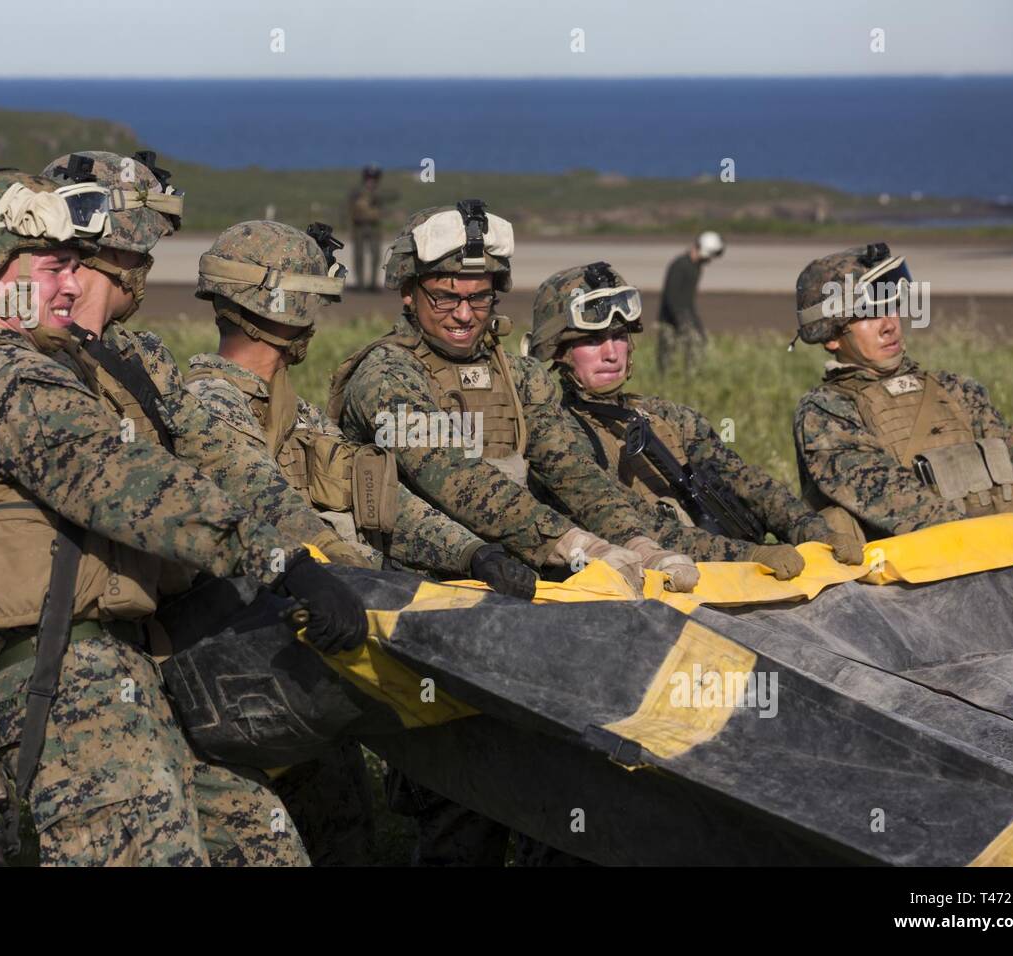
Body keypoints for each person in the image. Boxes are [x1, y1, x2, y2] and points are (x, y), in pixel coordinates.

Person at [0, 168, 368, 866]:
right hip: (71, 696)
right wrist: (288, 563)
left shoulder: (45, 370)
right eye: (54, 266)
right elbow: (140, 489)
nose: (69, 284)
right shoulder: (5, 383)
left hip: (131, 672)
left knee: (260, 846)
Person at [327, 200, 699, 866]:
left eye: (480, 296)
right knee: (458, 818)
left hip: (522, 618)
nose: (465, 314)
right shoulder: (382, 378)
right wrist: (571, 546)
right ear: (408, 294)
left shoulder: (519, 375)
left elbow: (573, 473)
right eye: (445, 298)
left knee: (557, 808)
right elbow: (454, 477)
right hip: (429, 625)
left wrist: (640, 542)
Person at [185, 218, 538, 597]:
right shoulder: (211, 405)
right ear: (285, 305)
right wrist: (376, 575)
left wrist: (471, 553)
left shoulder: (293, 410)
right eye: (312, 299)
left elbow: (374, 493)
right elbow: (280, 513)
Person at [526, 261, 864, 572]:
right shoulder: (559, 437)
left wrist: (809, 529)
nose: (611, 353)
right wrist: (748, 557)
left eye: (618, 337)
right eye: (593, 341)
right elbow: (637, 528)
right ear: (559, 351)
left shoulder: (667, 417)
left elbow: (746, 482)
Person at [791, 242, 1013, 553]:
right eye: (868, 314)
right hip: (902, 594)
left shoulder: (956, 389)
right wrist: (991, 545)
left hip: (995, 570)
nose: (889, 325)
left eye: (890, 306)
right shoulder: (825, 412)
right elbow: (890, 496)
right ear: (832, 336)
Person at [657, 230, 723, 376]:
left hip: (685, 316)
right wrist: (682, 322)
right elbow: (671, 297)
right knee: (667, 358)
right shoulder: (680, 265)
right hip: (670, 319)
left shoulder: (695, 268)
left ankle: (690, 378)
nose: (710, 260)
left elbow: (688, 300)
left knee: (698, 345)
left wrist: (696, 324)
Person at [347, 164, 389, 291]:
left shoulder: (379, 193)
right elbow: (349, 208)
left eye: (374, 178)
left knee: (376, 255)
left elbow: (384, 207)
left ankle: (373, 284)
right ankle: (360, 284)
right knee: (359, 255)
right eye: (369, 177)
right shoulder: (357, 192)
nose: (371, 180)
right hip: (359, 226)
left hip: (374, 226)